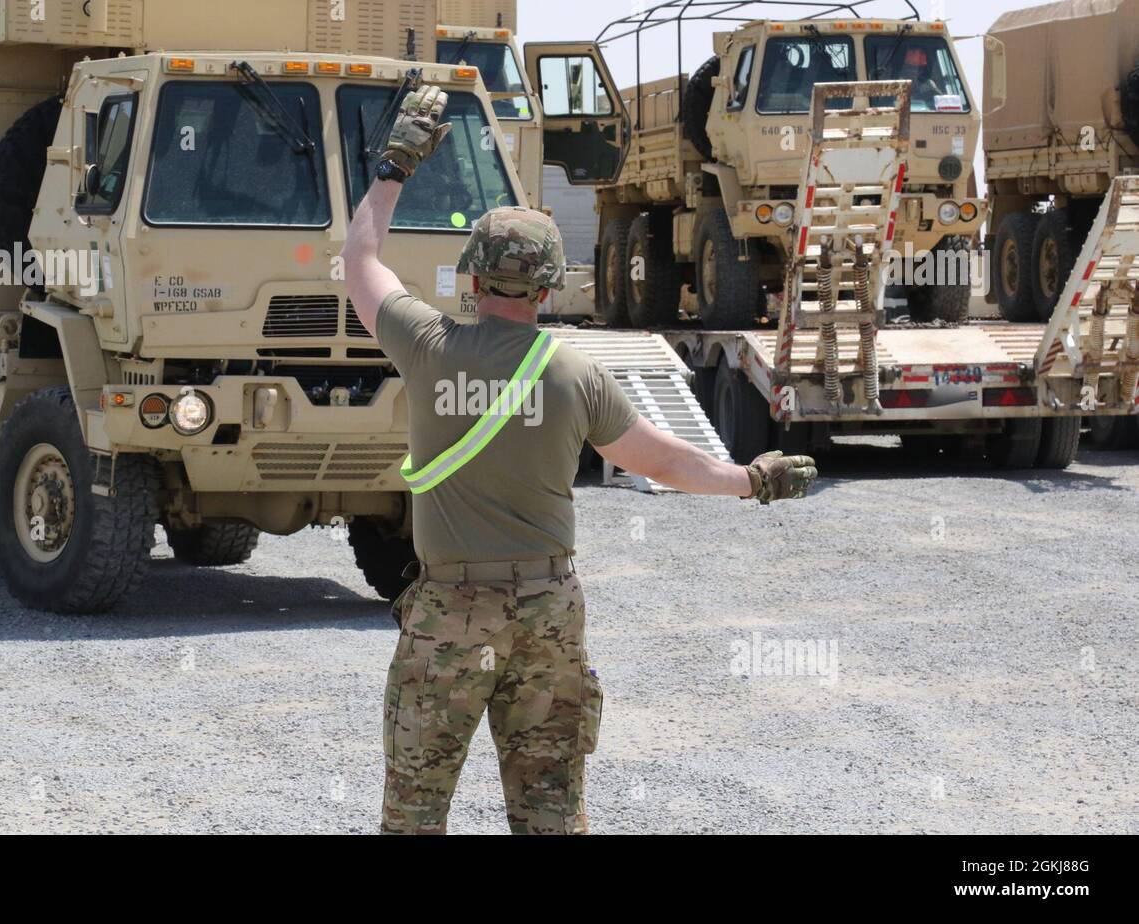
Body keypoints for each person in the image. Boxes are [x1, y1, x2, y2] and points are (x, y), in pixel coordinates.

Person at [341, 85, 818, 835]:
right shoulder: (573, 376)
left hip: (450, 615)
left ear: (472, 277)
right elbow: (664, 463)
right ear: (547, 286)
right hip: (547, 613)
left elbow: (360, 256)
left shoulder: (426, 348)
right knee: (551, 811)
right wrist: (751, 481)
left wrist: (397, 164)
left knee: (414, 811)